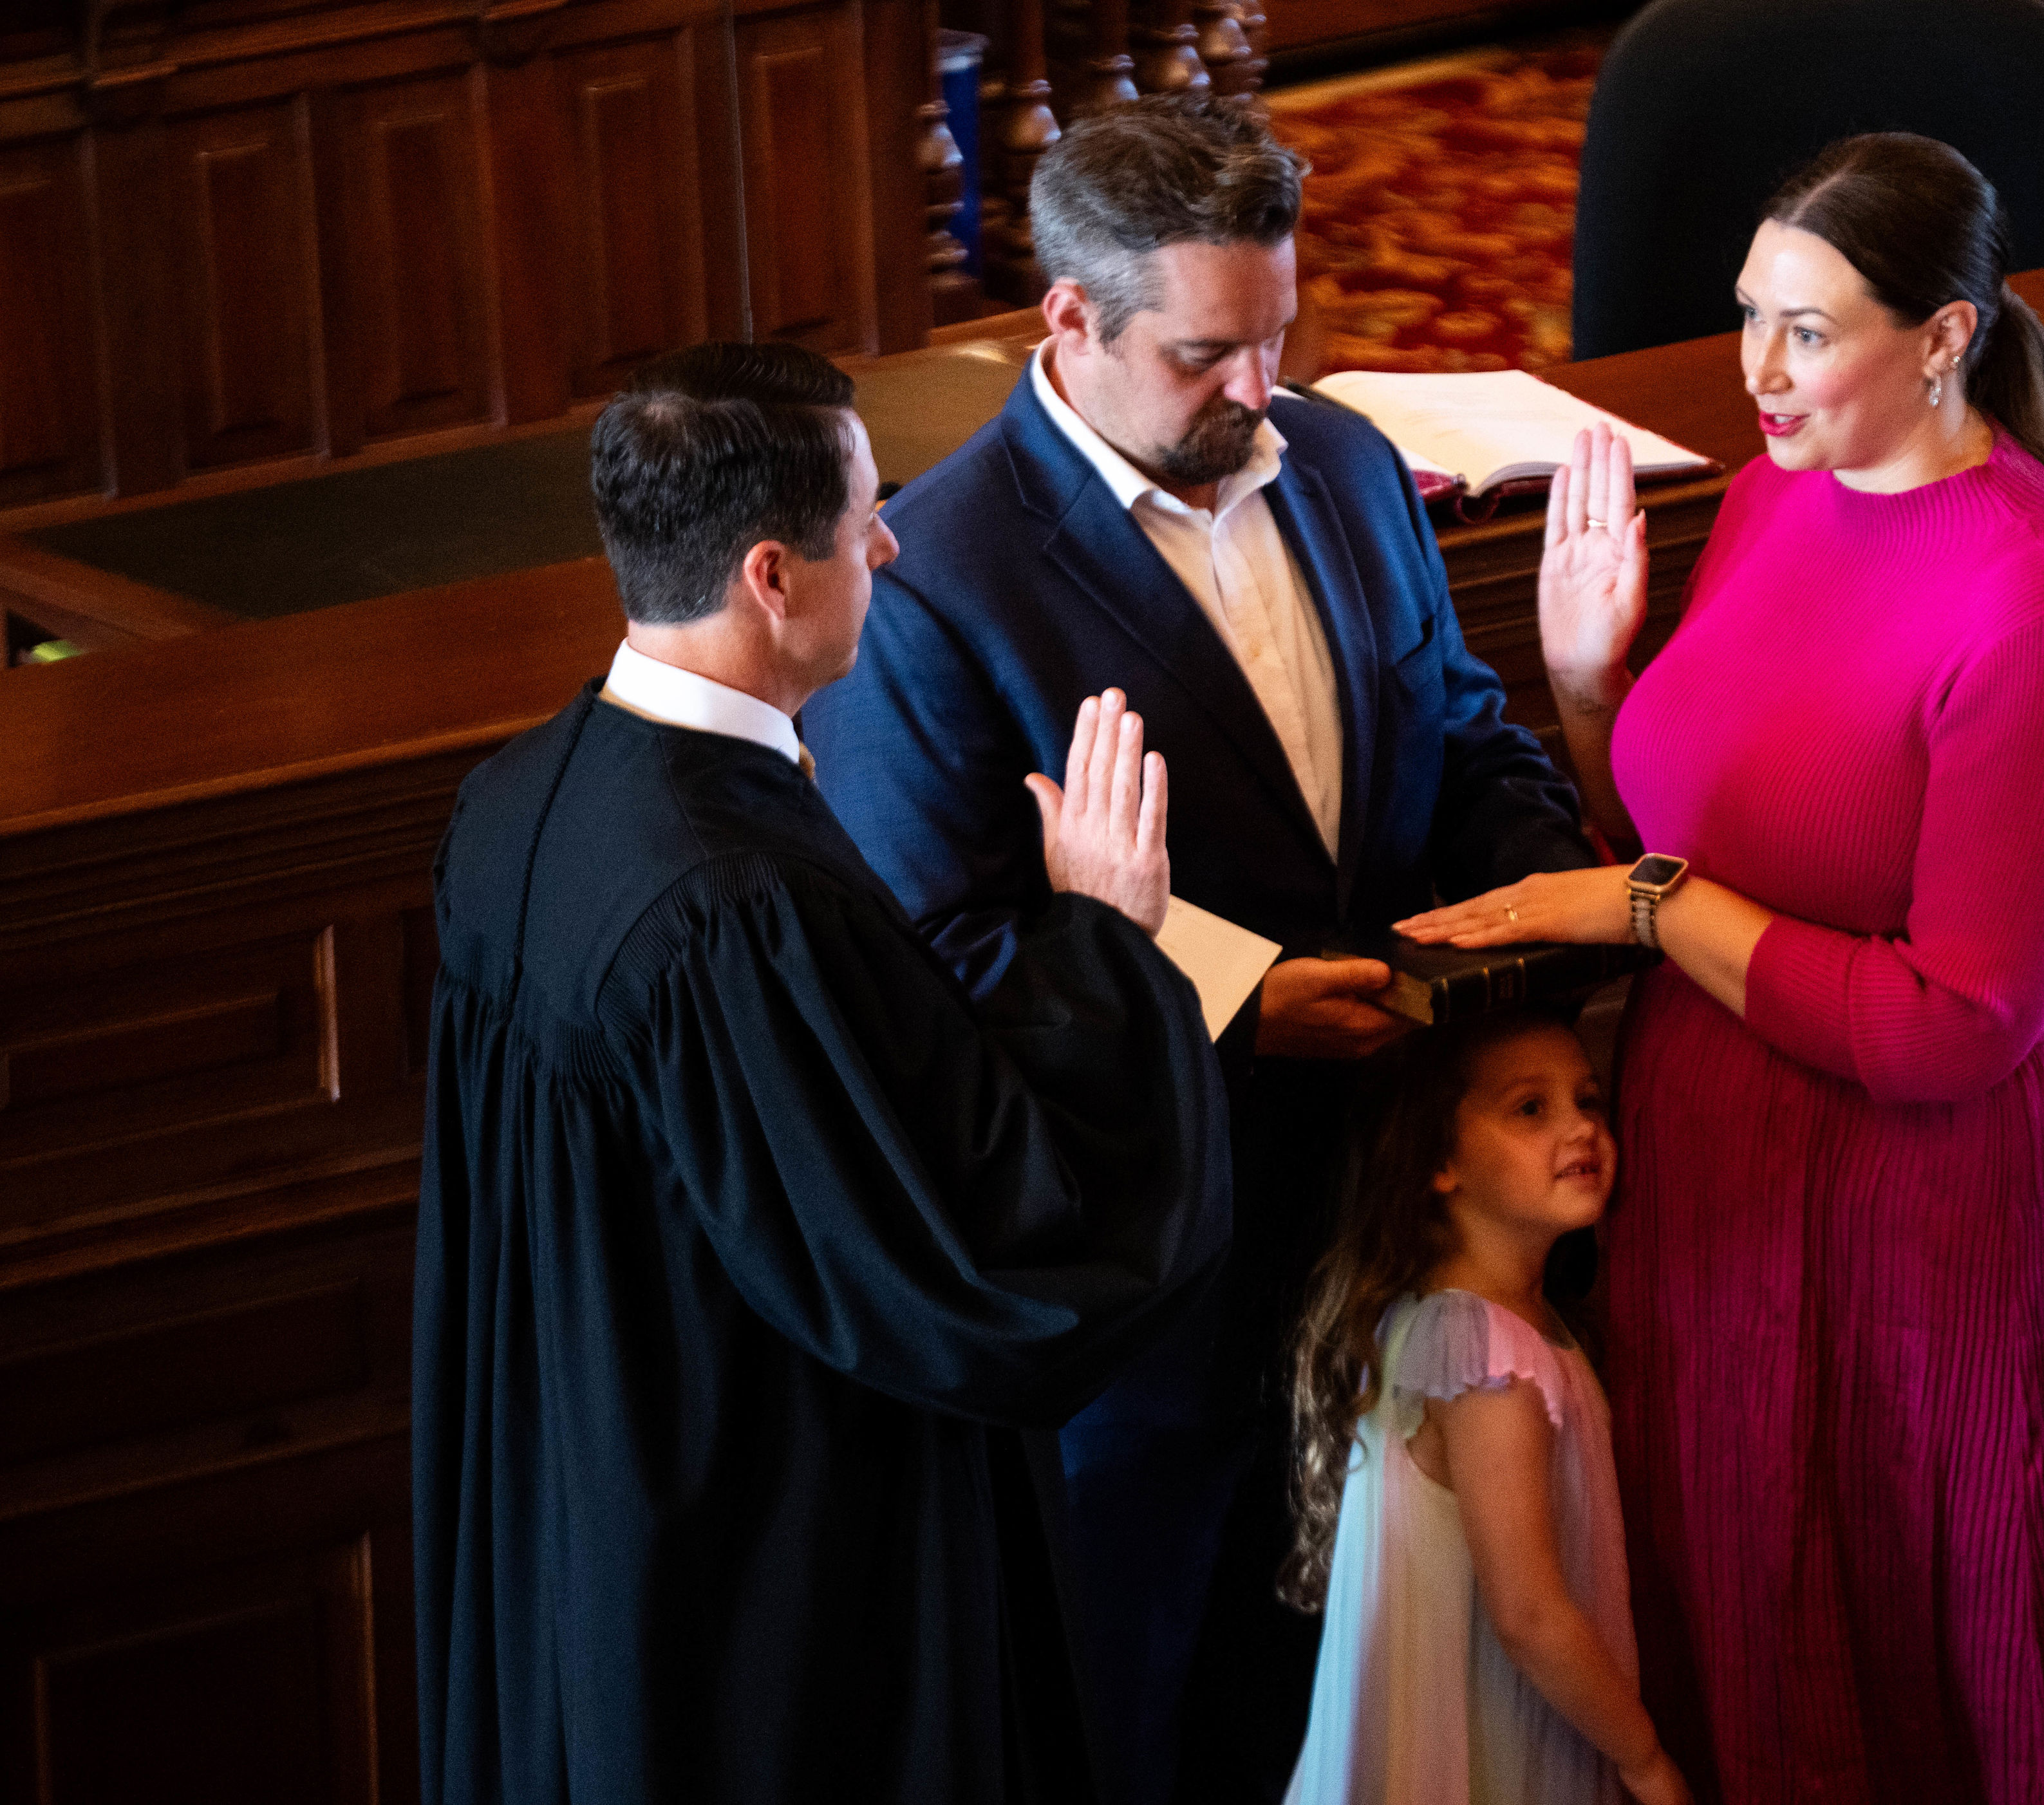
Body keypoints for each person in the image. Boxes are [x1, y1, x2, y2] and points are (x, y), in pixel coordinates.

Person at [802, 93, 1597, 1803]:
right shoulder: (932, 584)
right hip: (1154, 1293)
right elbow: (937, 948)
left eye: (1276, 340)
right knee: (1147, 1718)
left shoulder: (1351, 466)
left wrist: (1544, 901)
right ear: (1068, 318)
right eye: (1206, 354)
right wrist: (1233, 1007)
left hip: (1391, 1242)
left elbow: (1455, 736)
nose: (1256, 393)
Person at [1397, 135, 2044, 1803]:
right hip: (1723, 1164)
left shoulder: (2039, 607)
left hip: (1932, 1203)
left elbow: (1946, 1023)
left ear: (1944, 336)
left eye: (1805, 330)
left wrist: (1642, 911)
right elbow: (1683, 834)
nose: (1752, 367)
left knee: (1912, 1642)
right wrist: (1589, 685)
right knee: (1734, 1617)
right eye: (1747, 314)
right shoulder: (1766, 489)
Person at [415, 340, 1239, 1805]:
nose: (891, 540)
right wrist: (1102, 941)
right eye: (863, 516)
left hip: (591, 1503)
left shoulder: (516, 794)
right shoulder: (738, 907)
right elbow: (978, 1253)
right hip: (767, 1573)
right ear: (769, 575)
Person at [1280, 1011, 1690, 1805]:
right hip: (1493, 1745)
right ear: (1441, 1159)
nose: (1579, 1128)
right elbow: (1529, 1613)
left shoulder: (1479, 1321)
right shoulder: (1480, 1351)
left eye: (1588, 1100)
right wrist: (1643, 1756)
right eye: (1530, 1108)